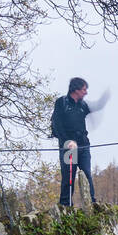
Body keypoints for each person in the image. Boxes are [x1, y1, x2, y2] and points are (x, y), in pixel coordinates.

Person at [50, 77, 96, 207]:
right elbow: (56, 125)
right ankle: (65, 205)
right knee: (68, 175)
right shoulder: (61, 102)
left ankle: (91, 202)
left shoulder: (83, 105)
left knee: (87, 173)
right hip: (67, 145)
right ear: (75, 89)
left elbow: (93, 108)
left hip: (83, 145)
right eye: (84, 89)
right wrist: (67, 141)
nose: (86, 92)